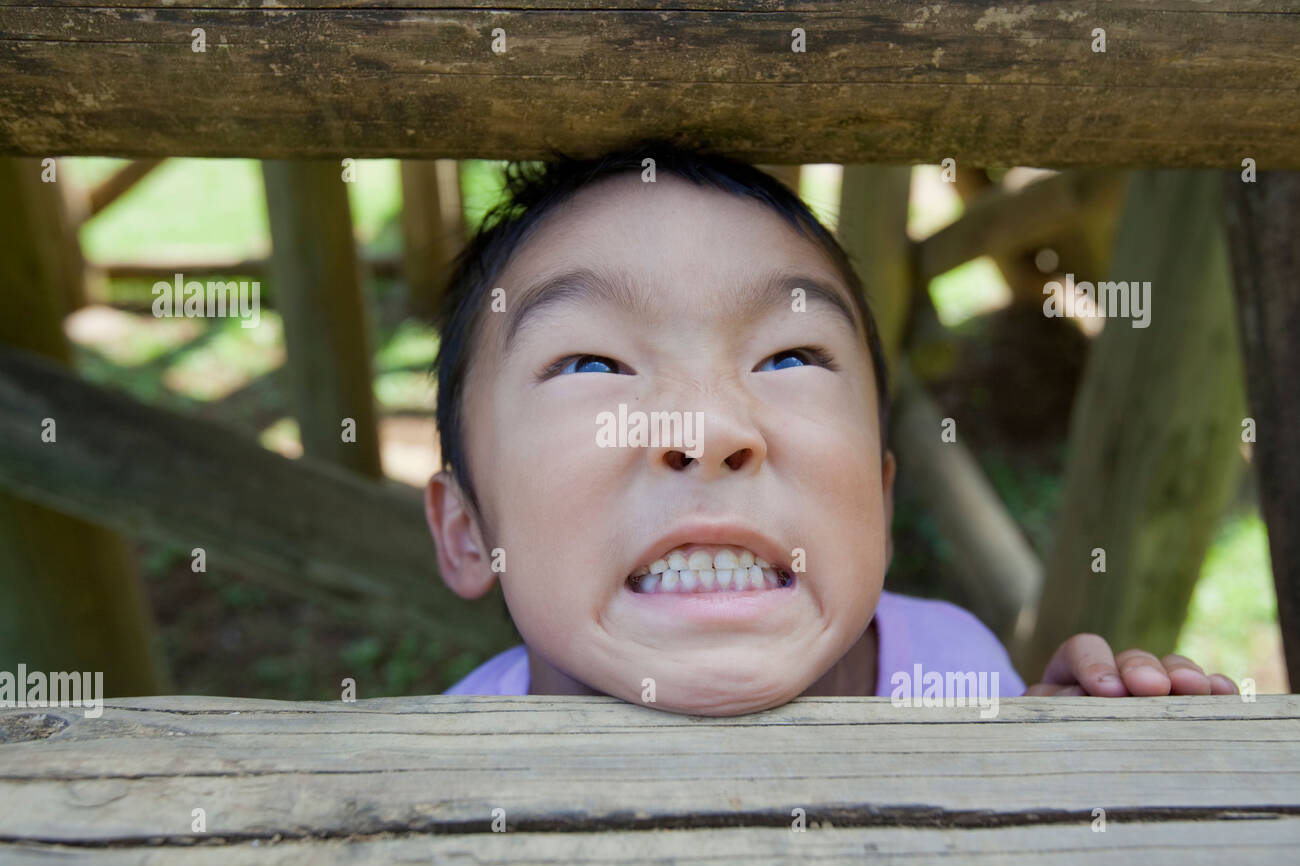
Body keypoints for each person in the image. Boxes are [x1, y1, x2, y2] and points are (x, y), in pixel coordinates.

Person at [424, 139, 1237, 715]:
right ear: (467, 532)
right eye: (595, 366)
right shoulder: (444, 778)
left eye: (789, 357)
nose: (708, 428)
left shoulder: (956, 677)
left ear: (879, 505)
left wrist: (1050, 758)